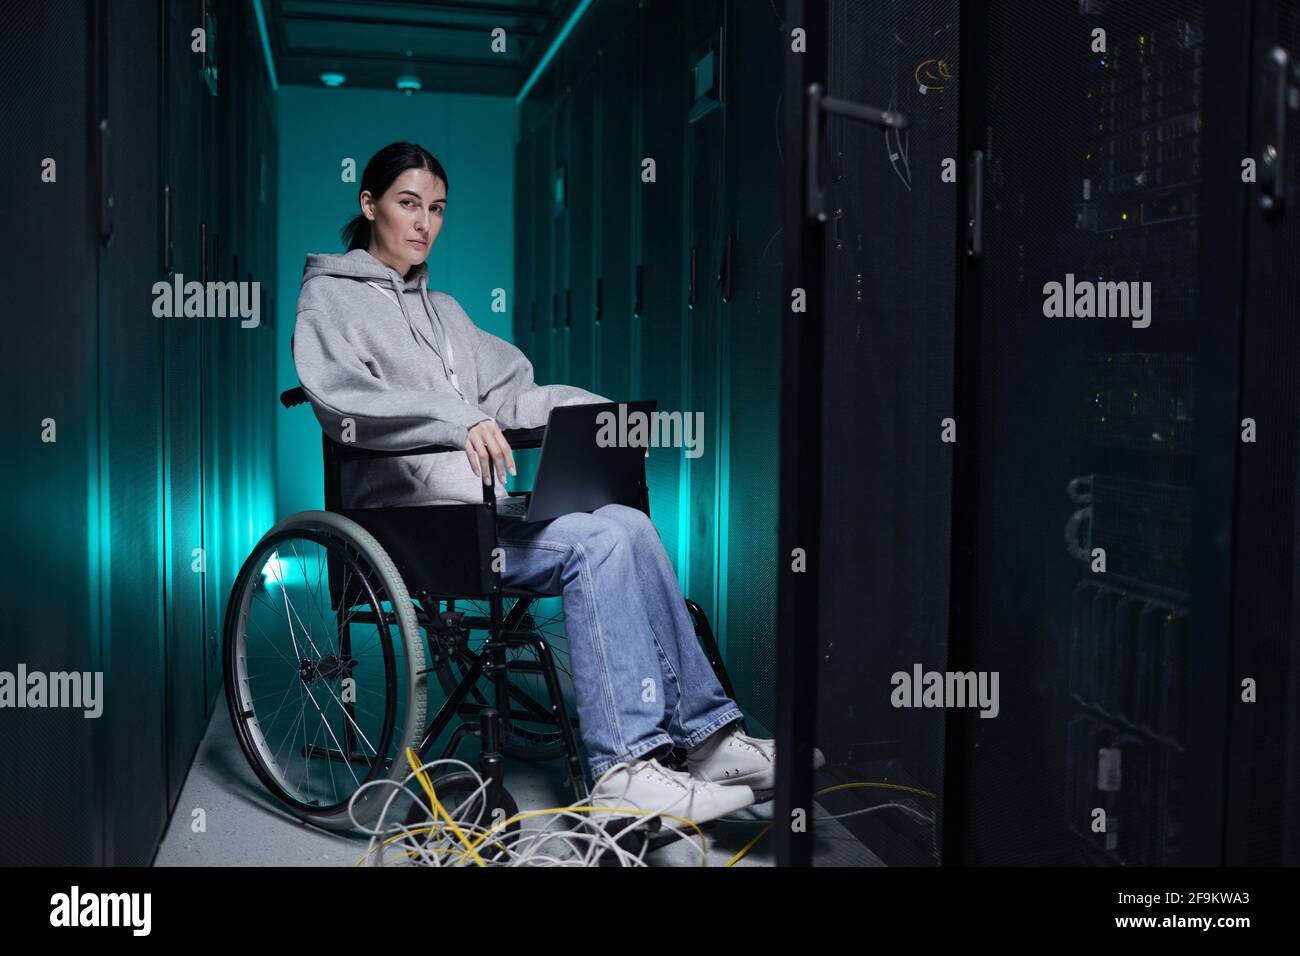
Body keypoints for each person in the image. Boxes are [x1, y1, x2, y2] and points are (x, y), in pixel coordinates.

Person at [292, 142, 820, 826]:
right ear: (369, 205)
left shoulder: (446, 312)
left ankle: (711, 737)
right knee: (593, 546)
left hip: (478, 509)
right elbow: (342, 400)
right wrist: (457, 418)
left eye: (437, 210)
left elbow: (514, 393)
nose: (423, 223)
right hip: (407, 520)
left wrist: (596, 418)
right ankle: (622, 771)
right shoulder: (328, 297)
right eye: (407, 204)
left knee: (627, 524)